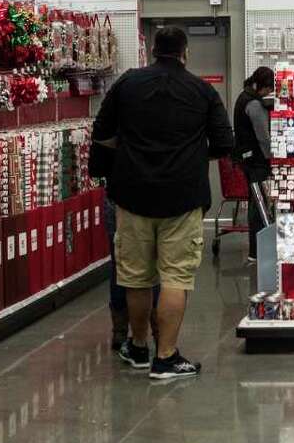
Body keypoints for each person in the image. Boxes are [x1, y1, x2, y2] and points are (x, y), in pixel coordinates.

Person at [90, 25, 233, 380]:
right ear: (185, 53)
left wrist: (134, 151)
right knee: (175, 278)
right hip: (182, 198)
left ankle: (138, 347)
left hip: (132, 195)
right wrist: (192, 155)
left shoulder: (127, 84)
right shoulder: (202, 91)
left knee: (136, 277)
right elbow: (224, 144)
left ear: (153, 50)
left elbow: (102, 135)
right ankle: (165, 357)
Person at [231, 67, 276, 261]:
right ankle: (257, 252)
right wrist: (272, 158)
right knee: (259, 205)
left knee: (256, 203)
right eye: (268, 89)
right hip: (257, 161)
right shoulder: (254, 105)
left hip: (247, 159)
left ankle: (256, 251)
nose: (269, 93)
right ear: (262, 86)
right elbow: (264, 138)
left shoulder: (243, 97)